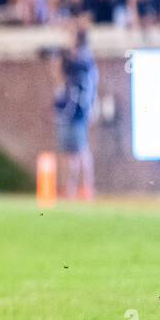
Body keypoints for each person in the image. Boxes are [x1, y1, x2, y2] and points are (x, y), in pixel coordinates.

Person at [53, 28, 98, 199]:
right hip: (66, 112)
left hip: (78, 112)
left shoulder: (84, 60)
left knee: (81, 151)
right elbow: (59, 77)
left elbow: (87, 81)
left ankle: (88, 188)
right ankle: (70, 190)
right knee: (69, 154)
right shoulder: (67, 59)